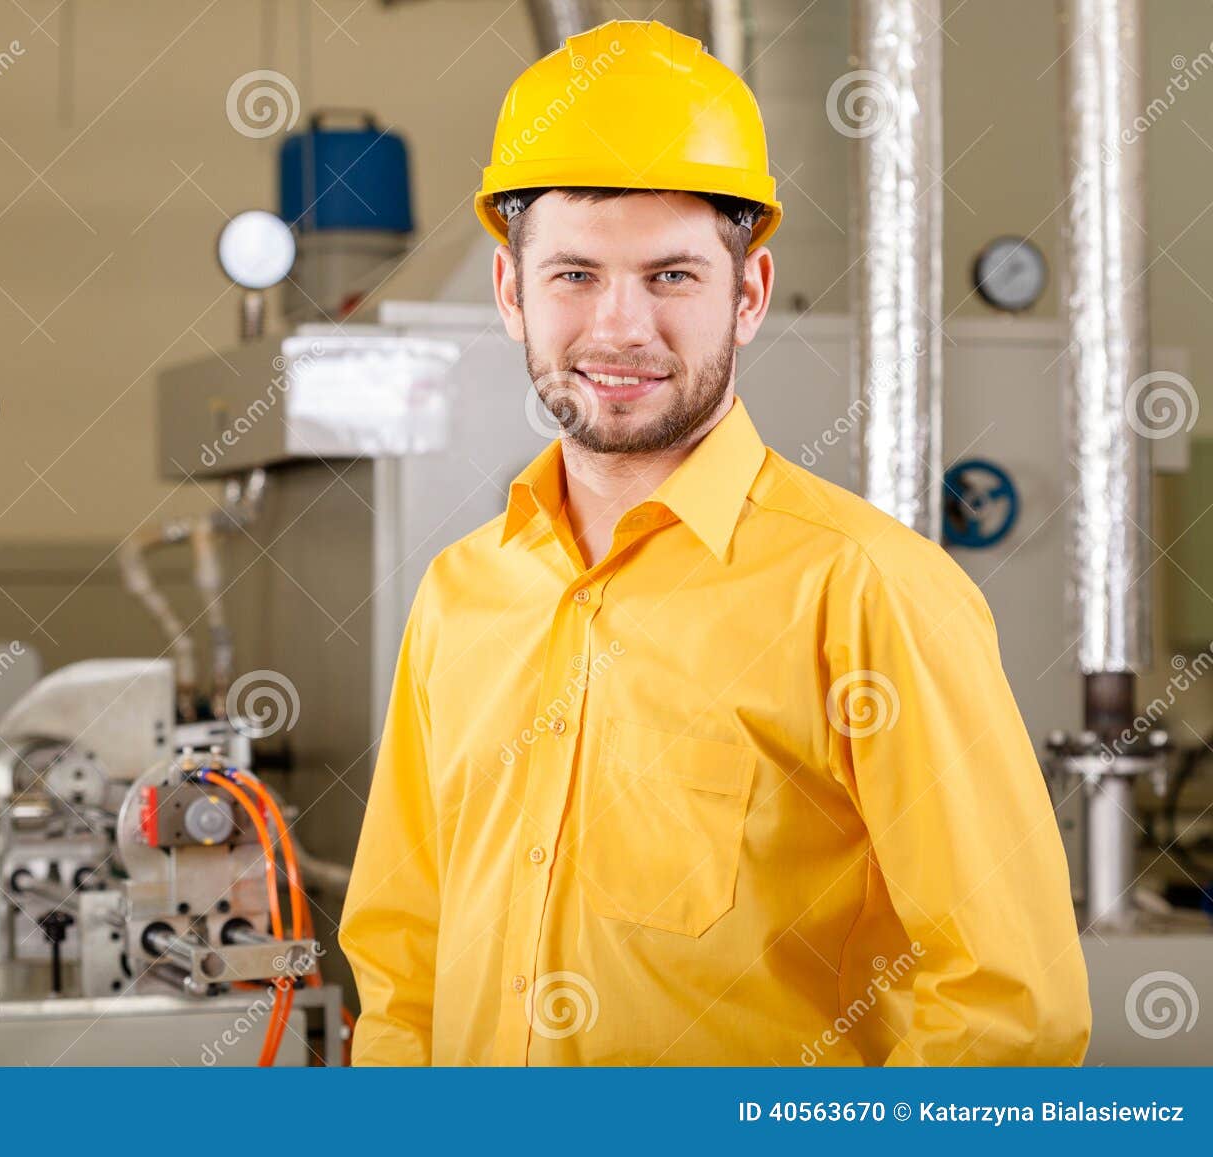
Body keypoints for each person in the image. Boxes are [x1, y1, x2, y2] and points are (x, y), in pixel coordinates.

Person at [338, 18, 1090, 1066]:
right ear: (511, 293)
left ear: (749, 294)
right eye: (574, 276)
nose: (620, 328)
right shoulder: (462, 593)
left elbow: (1006, 1008)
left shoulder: (864, 590)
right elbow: (401, 957)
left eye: (671, 277)